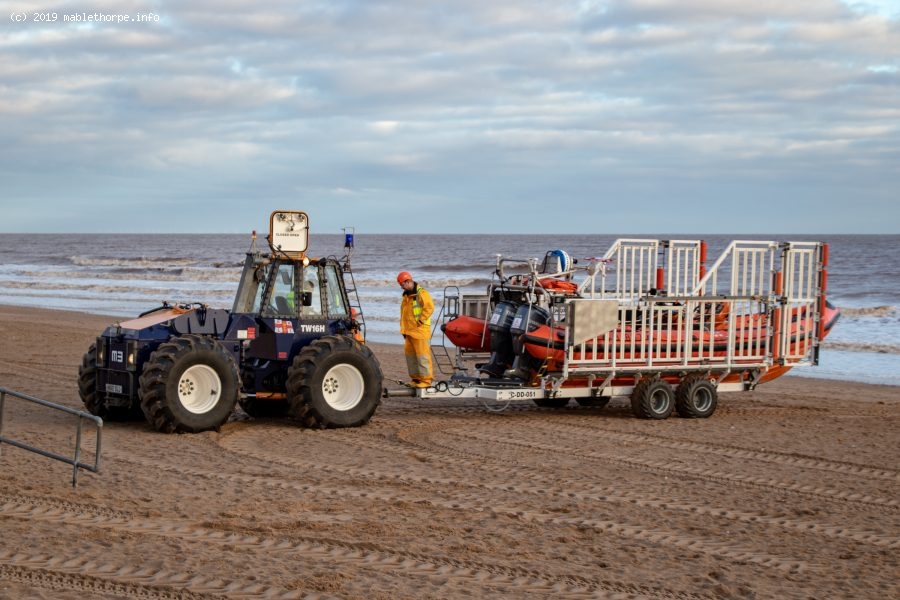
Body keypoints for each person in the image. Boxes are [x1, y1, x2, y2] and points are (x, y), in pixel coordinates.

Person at [397, 271, 434, 388]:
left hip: (420, 331)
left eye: (403, 285)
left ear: (408, 281)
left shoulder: (422, 293)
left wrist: (421, 321)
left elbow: (430, 307)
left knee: (422, 356)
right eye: (401, 286)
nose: (402, 287)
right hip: (409, 332)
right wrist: (403, 330)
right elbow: (404, 315)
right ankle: (416, 379)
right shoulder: (406, 296)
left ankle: (426, 380)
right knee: (411, 357)